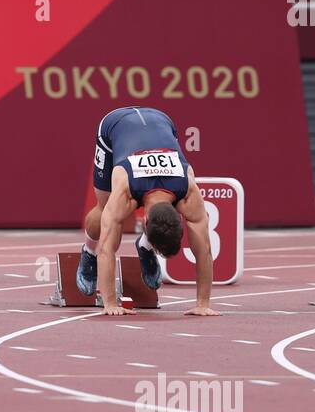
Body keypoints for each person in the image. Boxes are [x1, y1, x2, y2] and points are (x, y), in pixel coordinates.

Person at [79, 106, 219, 317]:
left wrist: (203, 303)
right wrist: (109, 302)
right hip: (114, 127)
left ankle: (145, 247)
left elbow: (204, 251)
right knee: (102, 213)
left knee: (172, 223)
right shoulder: (124, 191)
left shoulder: (189, 191)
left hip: (162, 121)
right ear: (144, 221)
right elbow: (107, 250)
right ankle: (86, 252)